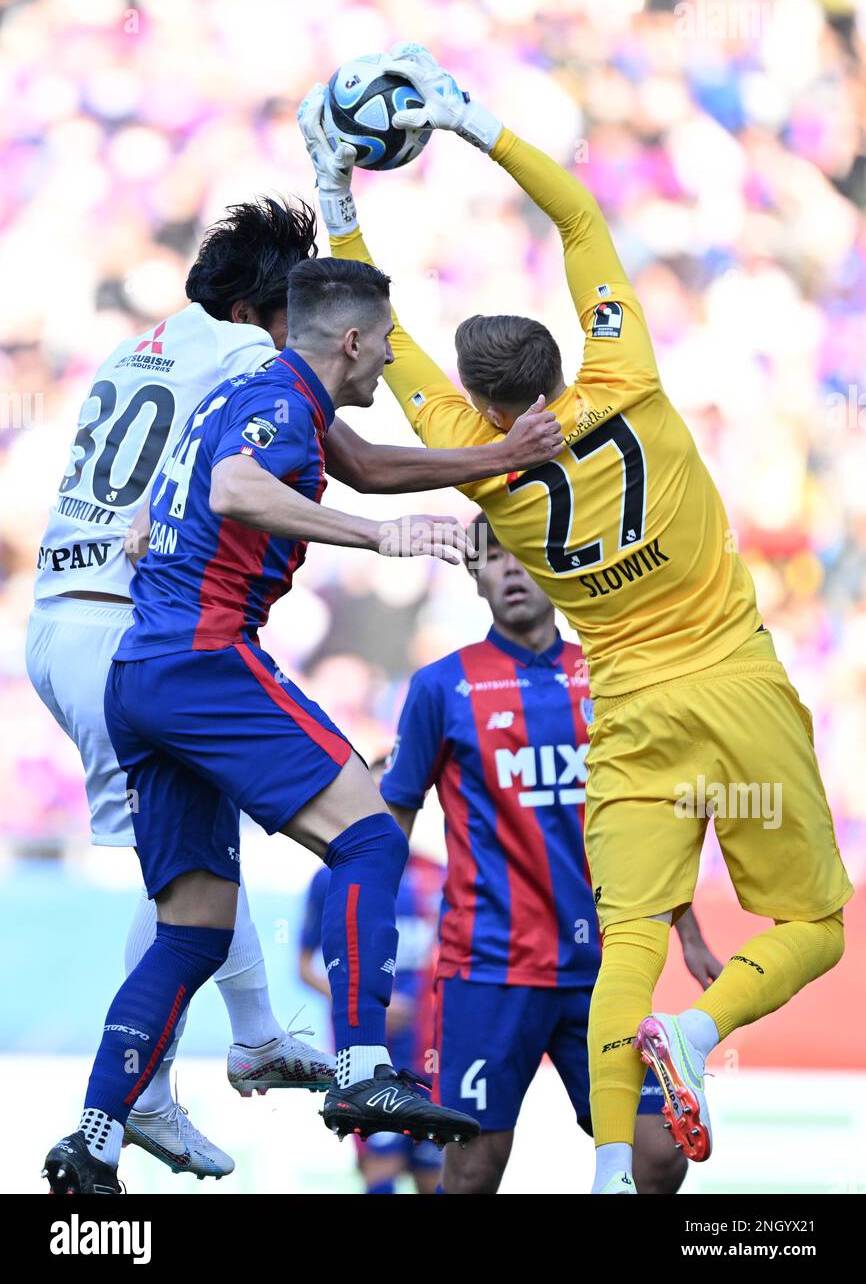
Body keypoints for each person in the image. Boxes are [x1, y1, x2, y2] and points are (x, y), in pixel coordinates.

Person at [300, 45, 853, 1195]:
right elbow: (581, 220)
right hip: (739, 685)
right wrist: (469, 122)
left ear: (483, 397)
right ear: (560, 362)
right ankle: (698, 1035)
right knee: (813, 927)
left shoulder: (483, 468)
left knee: (629, 942)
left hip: (635, 712)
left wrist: (340, 203)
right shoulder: (629, 379)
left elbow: (384, 343)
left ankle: (609, 1168)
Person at [27, 196, 562, 1182]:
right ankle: (358, 1063)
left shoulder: (181, 363)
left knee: (191, 923)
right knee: (366, 835)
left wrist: (491, 459)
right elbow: (241, 483)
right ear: (322, 330)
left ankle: (95, 1138)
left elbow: (311, 461)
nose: (386, 363)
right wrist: (380, 534)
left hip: (110, 648)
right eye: (384, 346)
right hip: (183, 652)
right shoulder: (263, 376)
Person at [380, 512, 721, 1195]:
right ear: (474, 576)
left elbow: (652, 816)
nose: (509, 568)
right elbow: (392, 819)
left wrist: (688, 930)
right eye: (492, 557)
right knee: (474, 1168)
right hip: (488, 970)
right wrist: (365, 936)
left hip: (603, 967)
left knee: (659, 1156)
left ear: (554, 564)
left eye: (522, 553)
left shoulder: (614, 677)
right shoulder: (440, 689)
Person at [299, 759, 444, 1195]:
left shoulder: (439, 878)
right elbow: (305, 966)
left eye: (396, 796)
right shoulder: (330, 879)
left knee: (433, 1172)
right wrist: (366, 999)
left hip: (432, 1052)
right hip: (368, 1053)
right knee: (382, 1168)